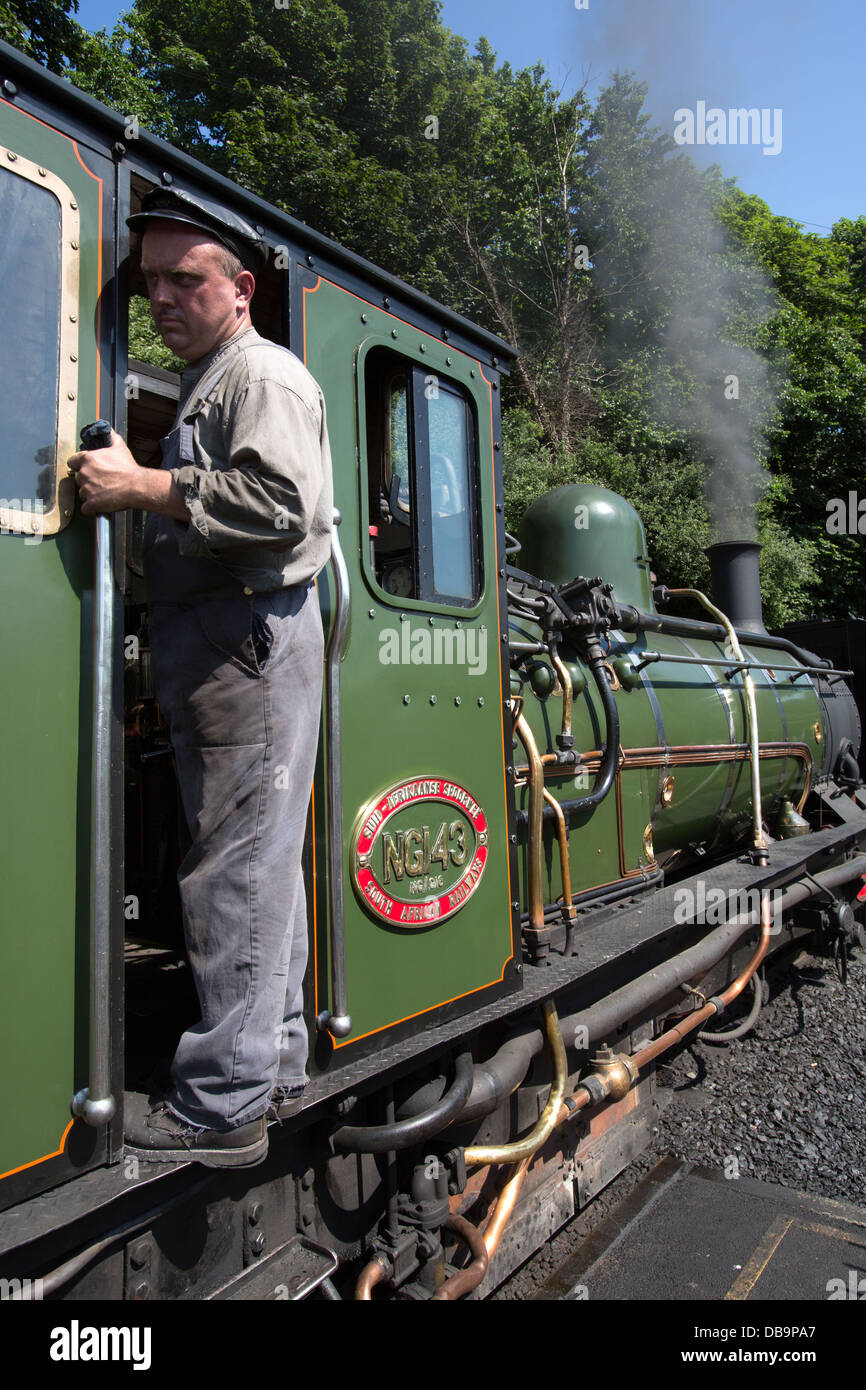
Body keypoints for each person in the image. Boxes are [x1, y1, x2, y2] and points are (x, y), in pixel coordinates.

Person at [67, 188, 333, 1167]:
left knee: (234, 869)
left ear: (240, 288)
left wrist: (140, 485)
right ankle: (275, 1066)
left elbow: (280, 505)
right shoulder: (210, 381)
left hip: (244, 643)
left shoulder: (256, 375)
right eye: (152, 288)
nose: (166, 301)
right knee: (258, 866)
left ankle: (221, 1104)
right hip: (221, 643)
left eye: (187, 280)